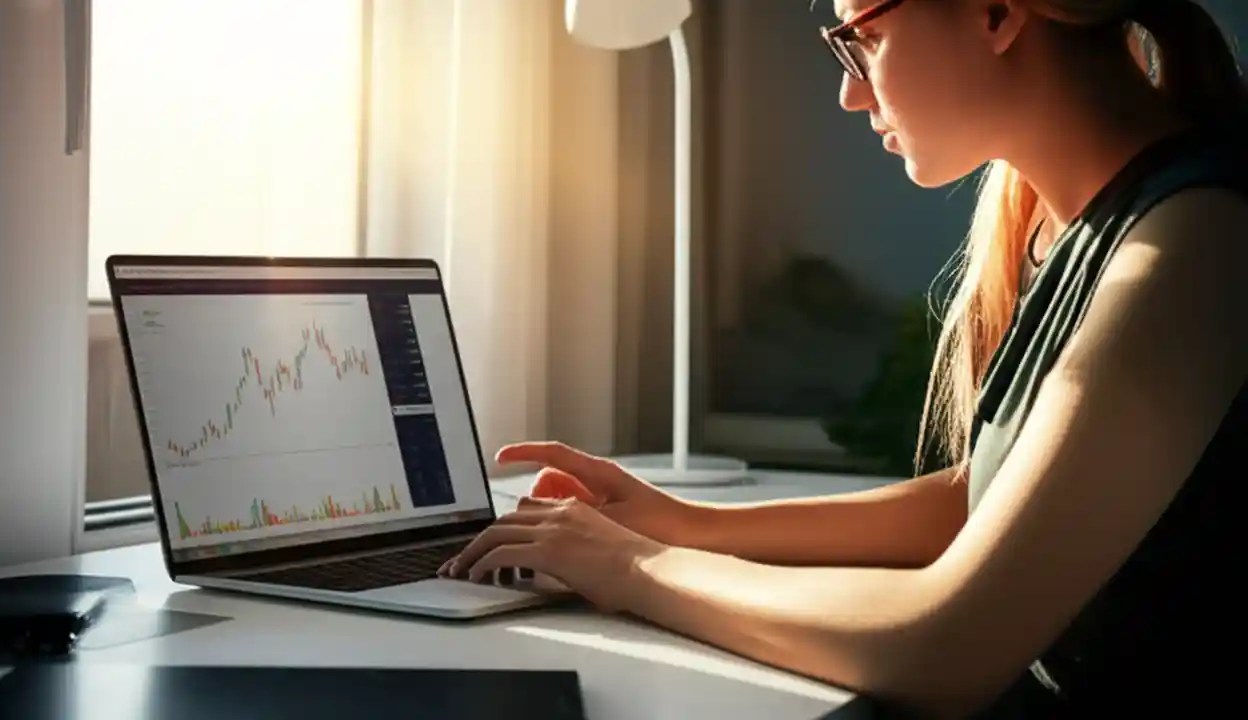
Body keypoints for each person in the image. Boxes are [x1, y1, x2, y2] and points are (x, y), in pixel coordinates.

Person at [440, 0, 1248, 716]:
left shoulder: (1192, 246)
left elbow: (948, 646)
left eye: (864, 38)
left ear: (997, 12)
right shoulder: (1080, 225)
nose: (850, 91)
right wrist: (688, 523)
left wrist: (634, 565)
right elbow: (993, 496)